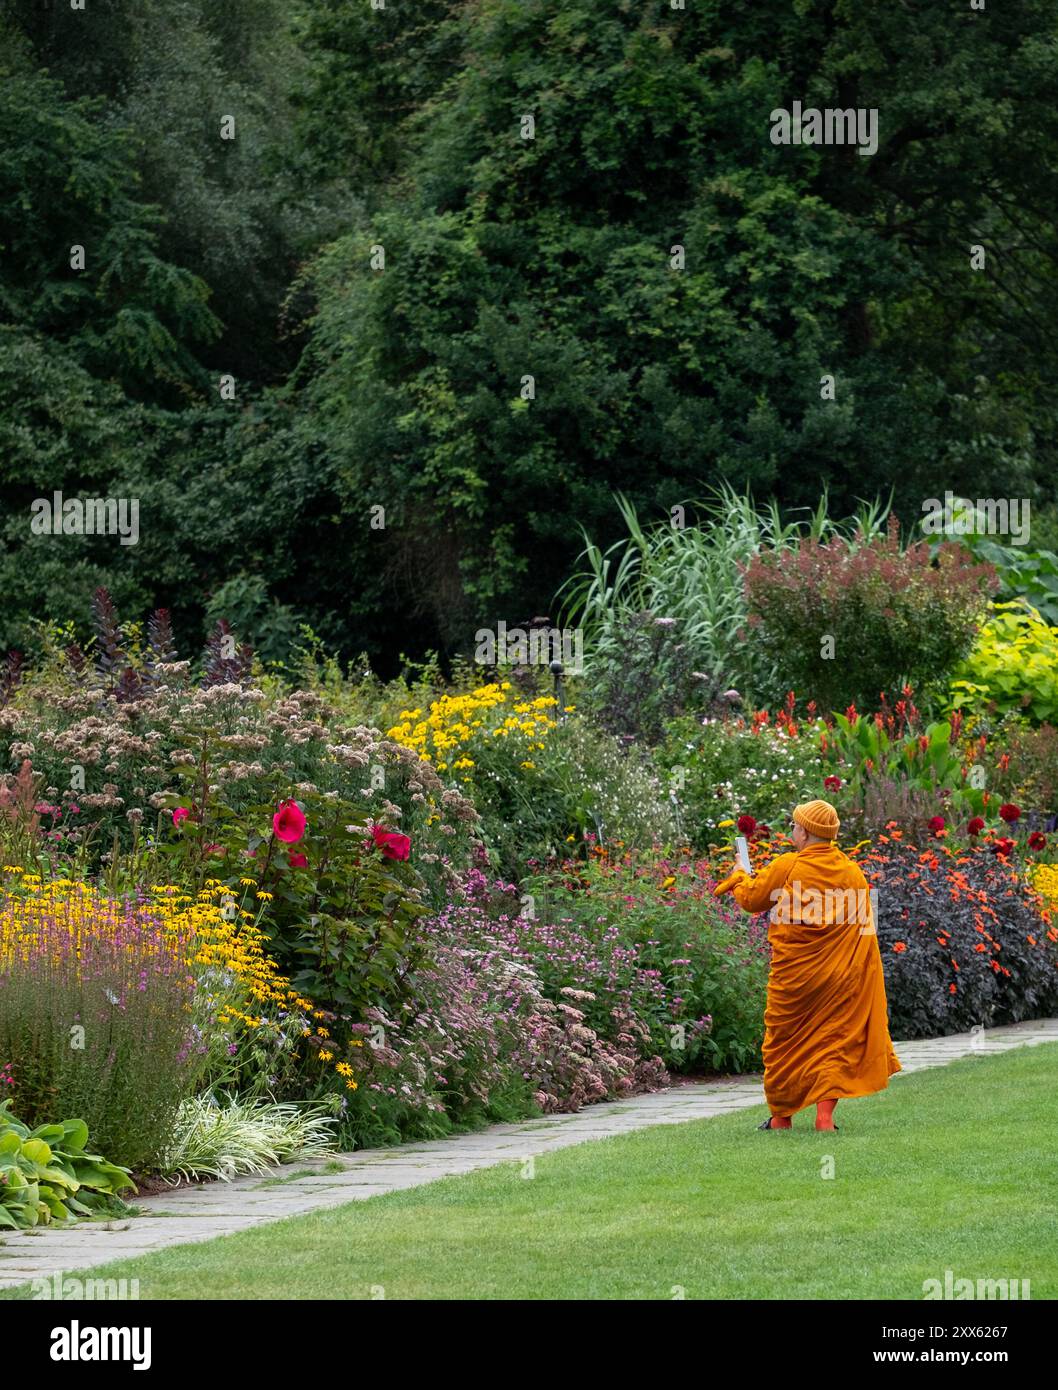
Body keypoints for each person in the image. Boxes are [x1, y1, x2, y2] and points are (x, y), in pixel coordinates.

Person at [713, 799, 901, 1131]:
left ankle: (781, 1118)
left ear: (804, 831)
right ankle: (824, 1118)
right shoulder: (852, 872)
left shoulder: (788, 867)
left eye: (794, 826)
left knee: (783, 1041)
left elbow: (752, 900)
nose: (792, 832)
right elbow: (864, 929)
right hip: (841, 977)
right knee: (832, 1043)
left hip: (795, 978)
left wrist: (740, 876)